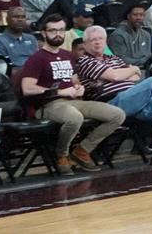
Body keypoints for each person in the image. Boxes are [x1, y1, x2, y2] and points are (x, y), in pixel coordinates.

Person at [15, 10, 127, 172]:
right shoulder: (37, 58)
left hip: (73, 101)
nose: (58, 34)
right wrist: (60, 92)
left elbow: (74, 80)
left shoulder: (67, 55)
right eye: (53, 30)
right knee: (74, 117)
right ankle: (61, 154)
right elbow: (27, 88)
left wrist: (79, 87)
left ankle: (82, 150)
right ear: (44, 33)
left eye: (61, 30)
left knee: (117, 115)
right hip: (48, 105)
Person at [75, 24, 152, 164]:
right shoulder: (85, 61)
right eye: (93, 40)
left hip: (133, 100)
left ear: (105, 41)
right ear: (85, 44)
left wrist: (122, 74)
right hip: (112, 103)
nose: (97, 42)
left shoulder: (113, 58)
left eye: (100, 39)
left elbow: (136, 77)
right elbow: (115, 76)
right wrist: (129, 71)